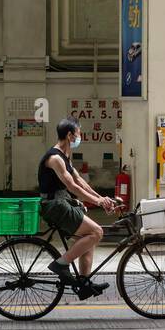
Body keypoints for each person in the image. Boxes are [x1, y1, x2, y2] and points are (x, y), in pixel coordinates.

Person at [39, 117, 118, 299]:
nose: (79, 137)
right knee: (97, 232)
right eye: (78, 134)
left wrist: (101, 198)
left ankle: (84, 283)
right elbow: (72, 187)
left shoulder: (65, 156)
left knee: (89, 237)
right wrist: (97, 202)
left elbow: (80, 181)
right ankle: (61, 263)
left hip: (62, 202)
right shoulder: (54, 158)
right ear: (69, 135)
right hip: (54, 205)